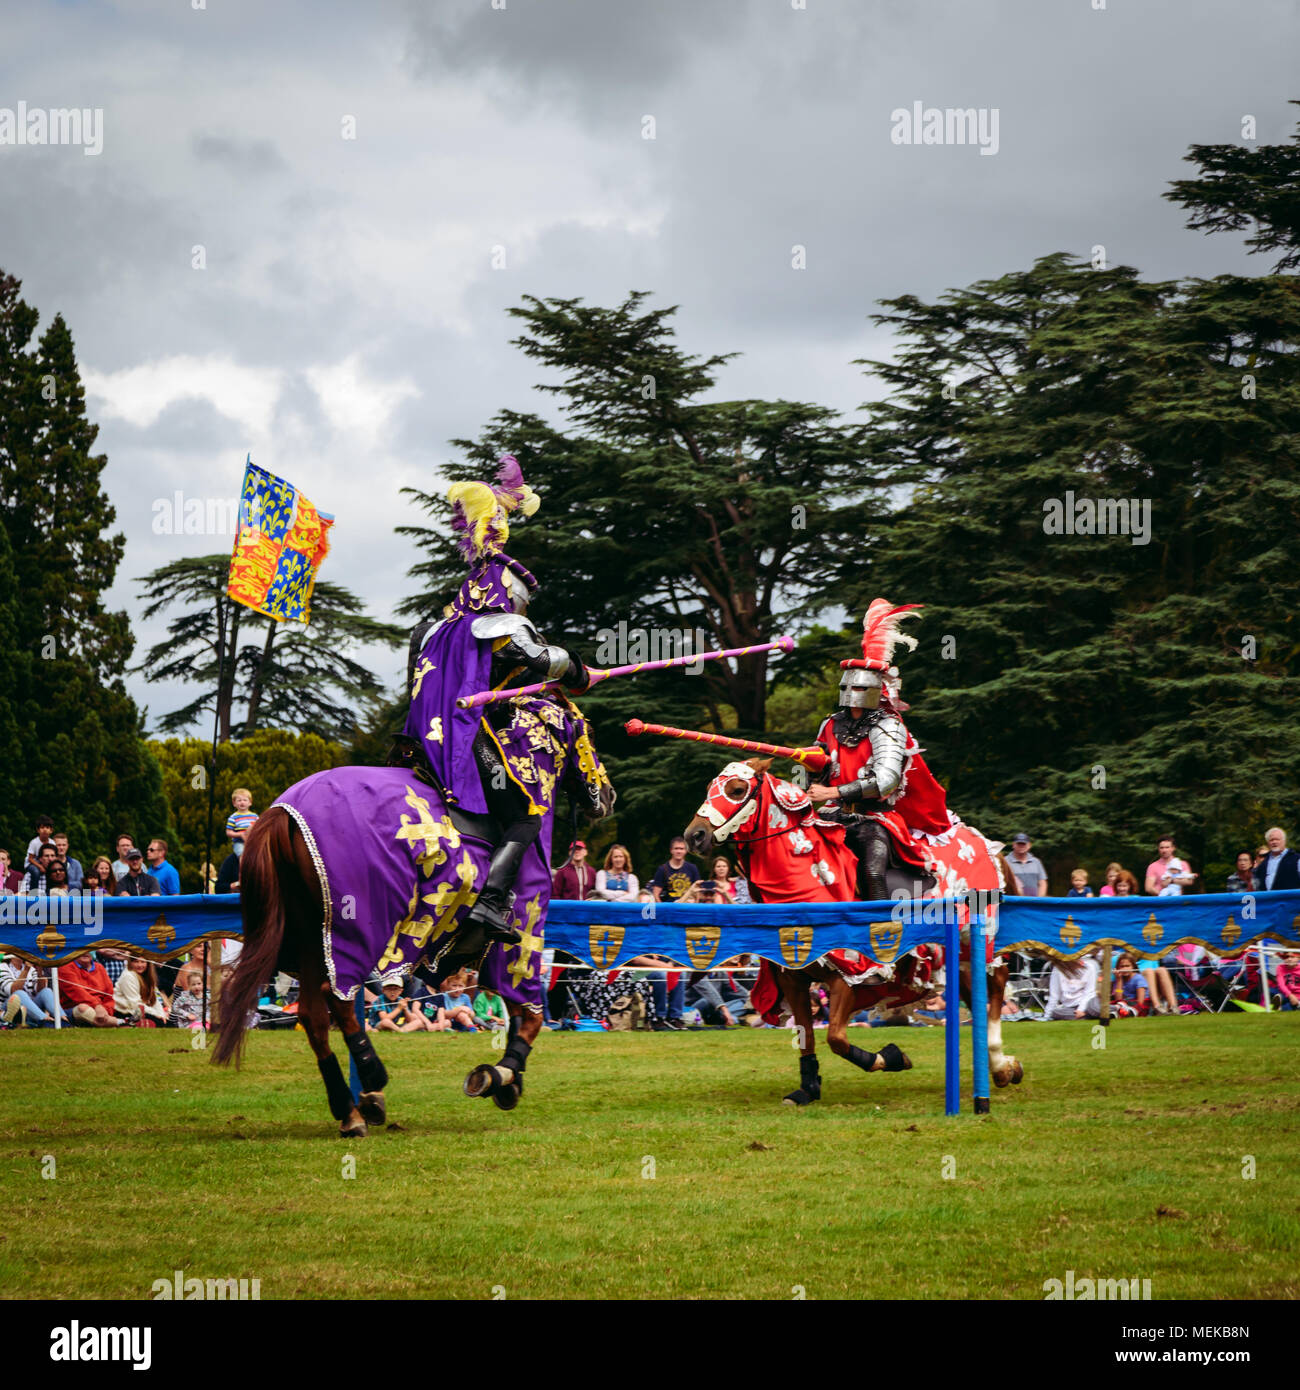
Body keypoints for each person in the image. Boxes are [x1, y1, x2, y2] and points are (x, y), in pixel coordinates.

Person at [391, 456, 594, 961]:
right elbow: (539, 661)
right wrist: (579, 671)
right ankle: (492, 904)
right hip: (466, 735)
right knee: (526, 811)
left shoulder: (435, 628)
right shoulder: (495, 623)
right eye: (521, 601)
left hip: (418, 737)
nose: (522, 608)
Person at [806, 600, 956, 899]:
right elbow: (818, 770)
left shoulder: (888, 726)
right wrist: (811, 773)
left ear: (875, 690)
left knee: (872, 873)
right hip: (829, 815)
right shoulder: (830, 724)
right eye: (848, 688)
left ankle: (884, 932)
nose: (852, 694)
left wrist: (833, 793)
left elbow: (885, 781)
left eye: (860, 688)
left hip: (872, 818)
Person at [1, 955, 67, 1027]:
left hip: (30, 1009)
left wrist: (39, 971)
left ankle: (63, 1019)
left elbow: (39, 990)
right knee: (20, 994)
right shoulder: (2, 967)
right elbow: (13, 990)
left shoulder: (31, 969)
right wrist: (26, 969)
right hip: (9, 1007)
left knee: (46, 991)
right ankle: (45, 1020)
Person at [58, 953, 120, 1026]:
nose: (85, 952)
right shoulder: (65, 967)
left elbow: (109, 995)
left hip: (101, 1009)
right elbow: (77, 993)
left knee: (117, 1002)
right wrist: (97, 1006)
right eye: (81, 948)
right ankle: (120, 1022)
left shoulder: (100, 967)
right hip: (72, 1009)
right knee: (82, 1007)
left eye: (89, 949)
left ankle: (109, 1022)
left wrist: (105, 1010)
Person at [114, 957, 168, 1026]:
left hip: (142, 1010)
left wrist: (161, 1014)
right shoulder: (128, 976)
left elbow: (155, 1000)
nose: (140, 965)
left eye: (143, 962)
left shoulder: (147, 976)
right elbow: (135, 1004)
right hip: (127, 1012)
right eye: (136, 962)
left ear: (147, 963)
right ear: (131, 963)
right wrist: (156, 1014)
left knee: (168, 1023)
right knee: (161, 1024)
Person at [1046, 953, 1101, 1019]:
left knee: (1094, 1008)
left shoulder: (1090, 967)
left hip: (1089, 1001)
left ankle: (1111, 1009)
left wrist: (1080, 1010)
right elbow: (1054, 995)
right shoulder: (1057, 970)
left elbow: (1089, 992)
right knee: (1055, 1012)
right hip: (1071, 1006)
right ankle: (1088, 1016)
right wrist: (1047, 1015)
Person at [650, 837, 701, 902]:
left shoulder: (692, 868)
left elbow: (697, 891)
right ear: (671, 850)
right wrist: (662, 910)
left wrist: (696, 907)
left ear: (686, 851)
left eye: (681, 849)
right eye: (676, 848)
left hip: (688, 906)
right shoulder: (662, 869)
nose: (679, 851)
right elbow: (656, 894)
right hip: (669, 907)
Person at [1253, 826, 1300, 891]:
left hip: (1291, 900)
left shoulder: (1296, 859)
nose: (1274, 842)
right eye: (1271, 840)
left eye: (1277, 839)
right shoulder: (1263, 862)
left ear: (1284, 841)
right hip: (1268, 899)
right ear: (1268, 843)